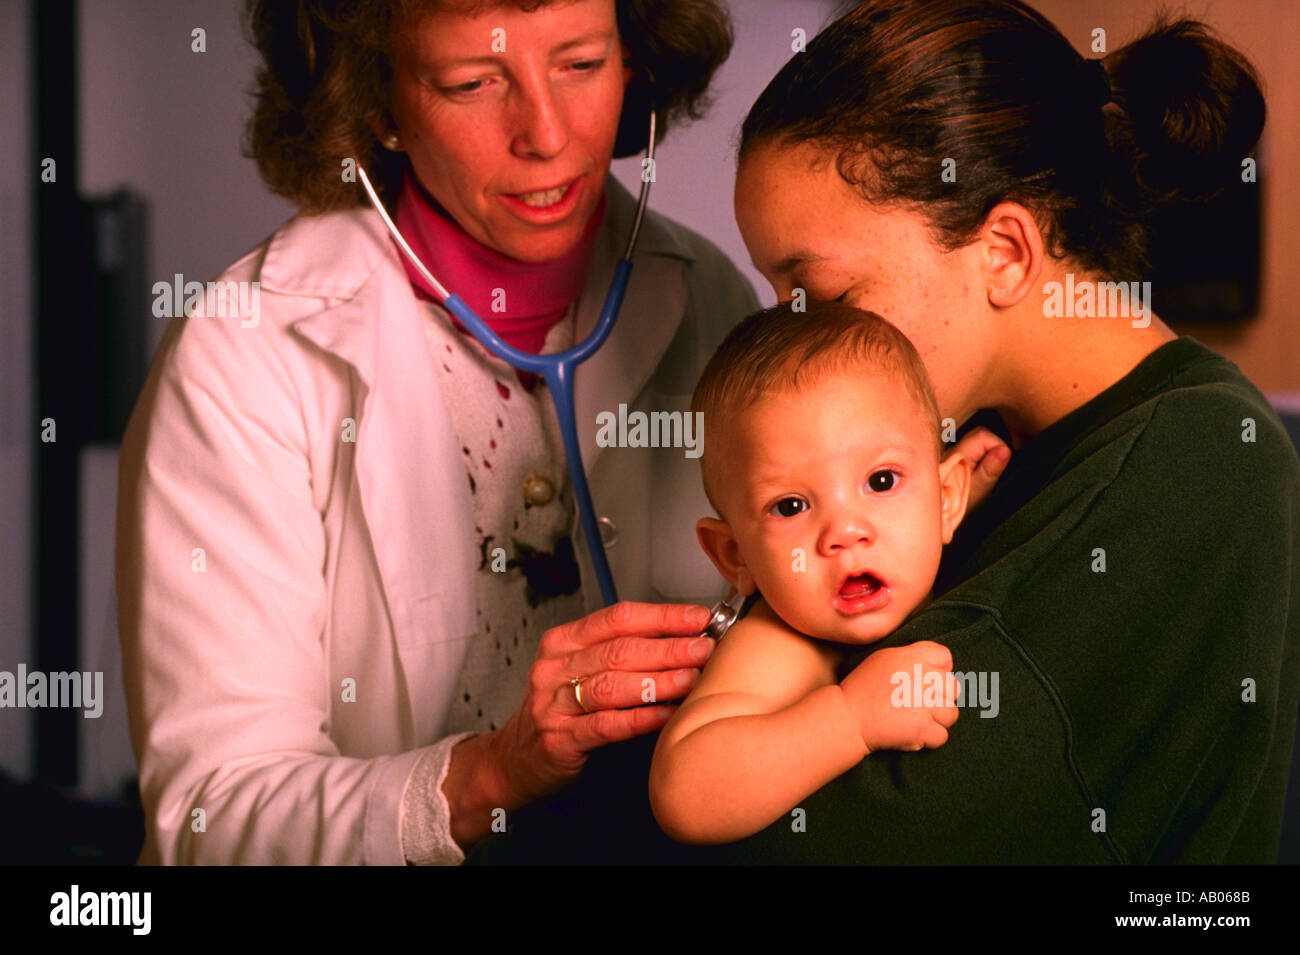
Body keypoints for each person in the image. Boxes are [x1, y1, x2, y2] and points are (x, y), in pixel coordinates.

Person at [466, 0, 1300, 864]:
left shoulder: (1199, 470)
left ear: (1006, 253)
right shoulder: (954, 441)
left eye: (819, 292)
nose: (797, 336)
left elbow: (860, 833)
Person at [114, 0, 759, 865]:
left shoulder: (710, 300)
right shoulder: (248, 353)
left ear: (636, 56)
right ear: (375, 102)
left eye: (580, 62)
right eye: (472, 82)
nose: (547, 132)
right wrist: (490, 775)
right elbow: (211, 814)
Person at [649, 302, 970, 844]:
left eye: (883, 481)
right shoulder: (778, 645)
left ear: (947, 498)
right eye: (792, 507)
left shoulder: (938, 526)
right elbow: (686, 795)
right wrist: (850, 719)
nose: (844, 532)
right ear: (735, 557)